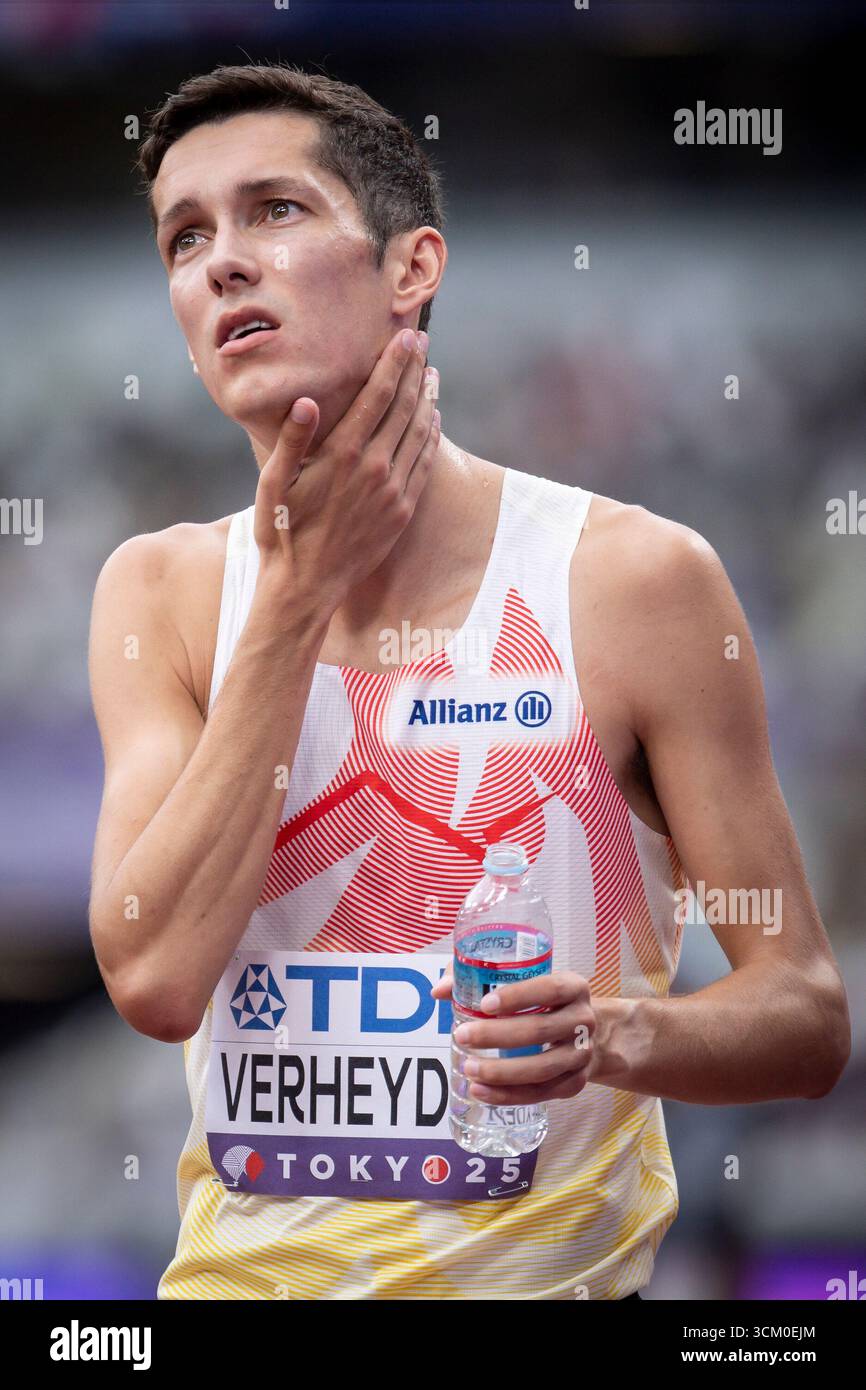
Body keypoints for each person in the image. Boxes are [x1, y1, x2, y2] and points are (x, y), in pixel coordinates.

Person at [87, 62, 850, 1301]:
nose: (220, 261)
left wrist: (611, 1034)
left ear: (412, 268)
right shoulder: (159, 595)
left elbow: (805, 1016)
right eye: (185, 236)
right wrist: (289, 604)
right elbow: (156, 979)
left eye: (274, 210)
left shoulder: (633, 582)